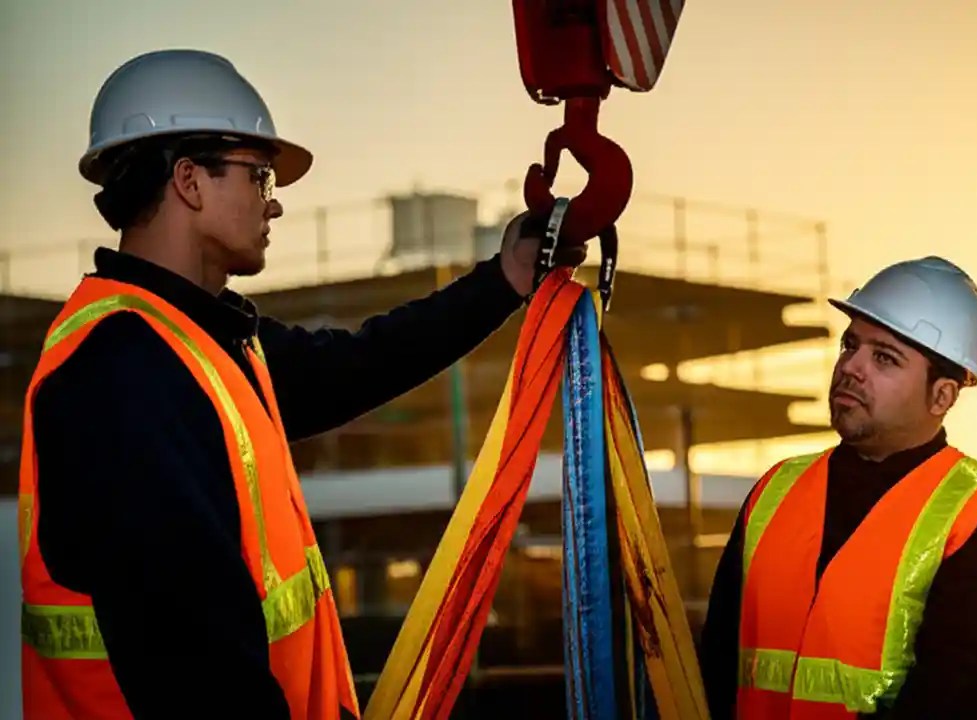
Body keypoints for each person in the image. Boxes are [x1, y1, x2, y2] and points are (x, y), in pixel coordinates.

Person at [16, 49, 583, 719]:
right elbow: (201, 678)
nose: (275, 202)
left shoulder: (200, 341)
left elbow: (356, 365)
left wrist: (506, 277)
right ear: (190, 182)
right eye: (259, 177)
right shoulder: (121, 375)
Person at [698, 256, 977, 719]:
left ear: (941, 395)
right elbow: (717, 666)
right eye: (850, 346)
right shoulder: (776, 489)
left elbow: (961, 699)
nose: (851, 368)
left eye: (884, 357)